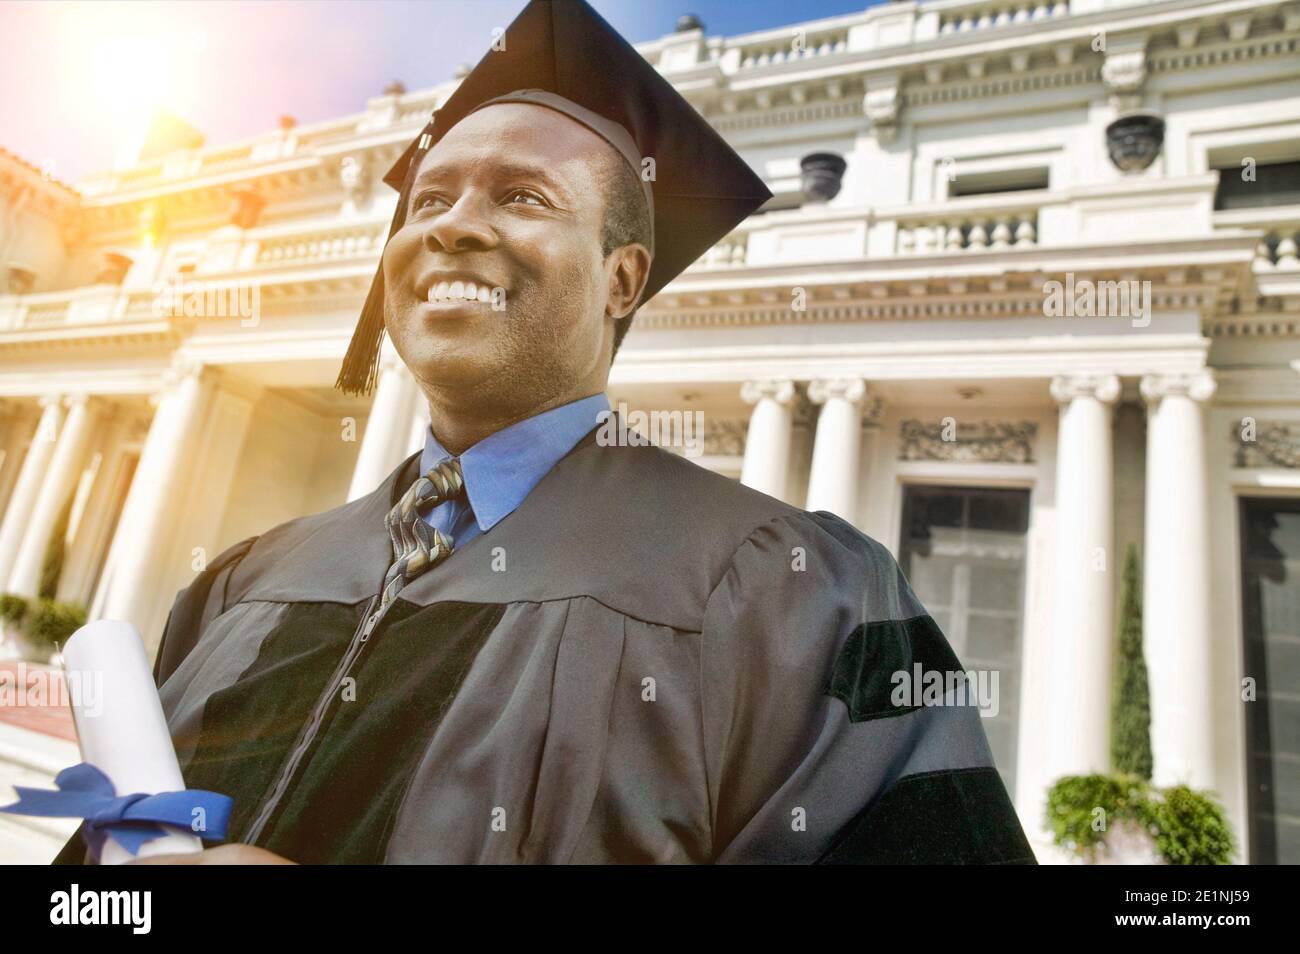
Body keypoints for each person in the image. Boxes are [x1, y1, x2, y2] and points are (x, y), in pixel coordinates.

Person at [54, 0, 1035, 865]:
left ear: (621, 279)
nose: (451, 225)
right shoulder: (241, 583)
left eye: (521, 196)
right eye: (429, 198)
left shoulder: (798, 603)